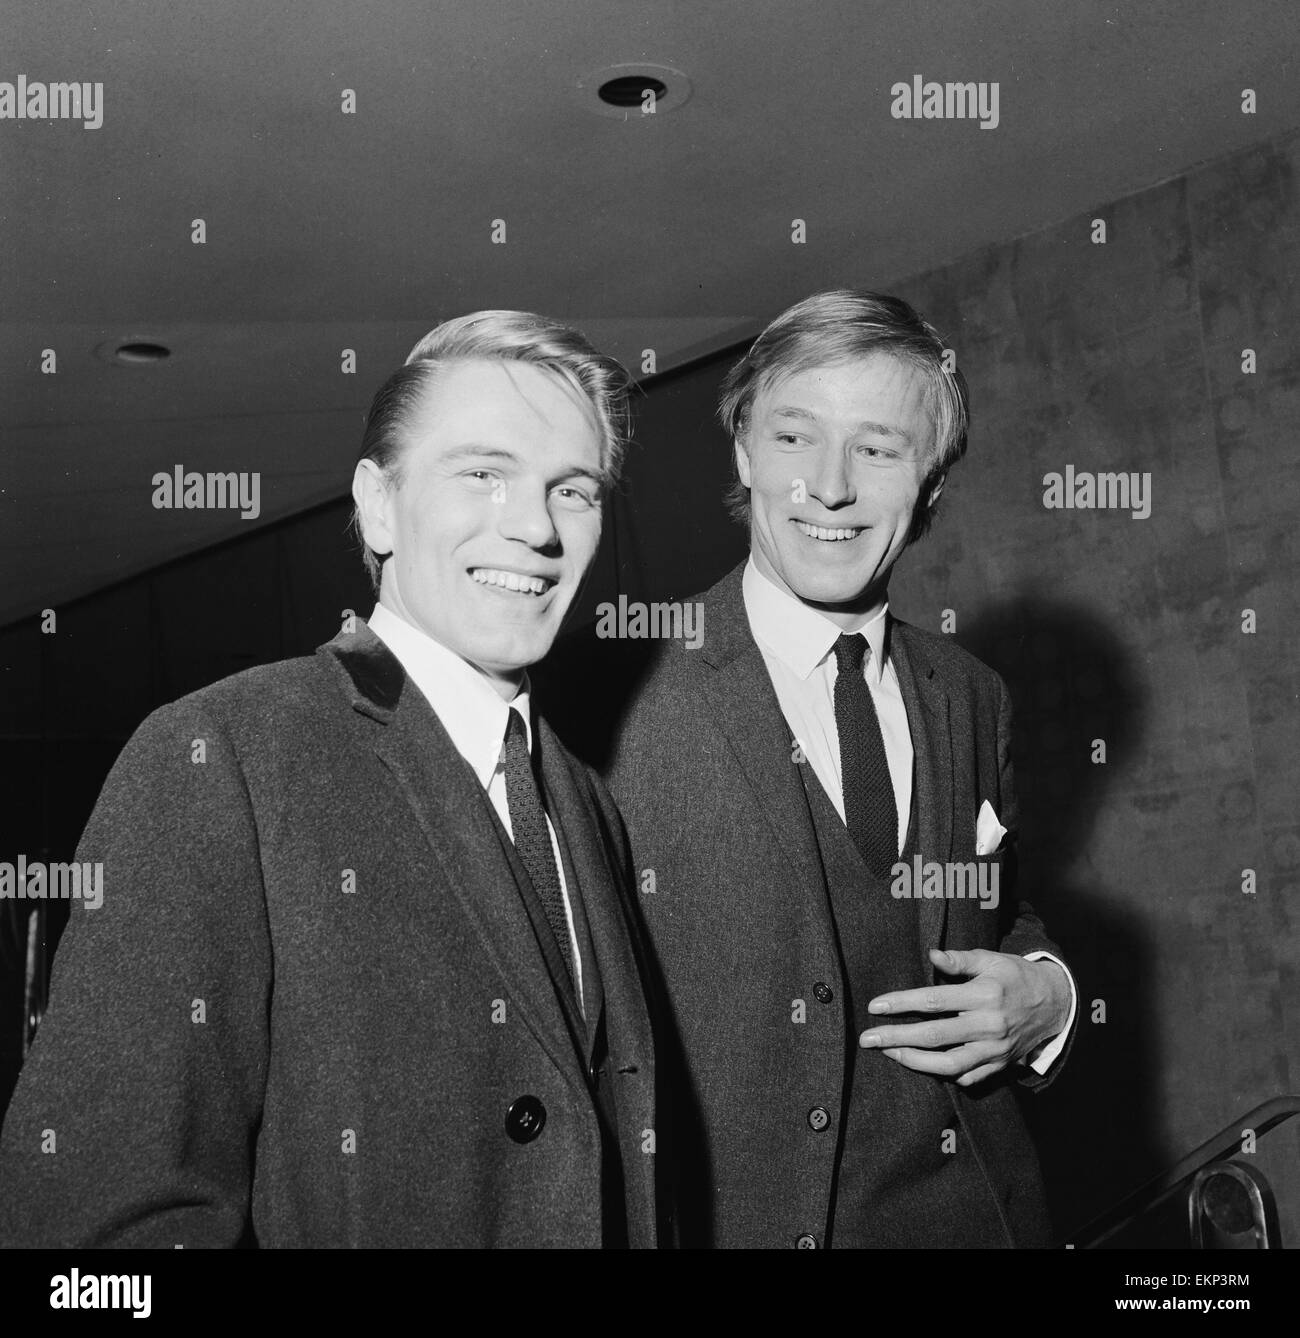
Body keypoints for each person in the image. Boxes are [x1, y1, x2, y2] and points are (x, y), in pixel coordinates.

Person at [0, 311, 664, 1248]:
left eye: (574, 490)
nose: (534, 528)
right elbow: (94, 1232)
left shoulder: (587, 804)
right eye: (483, 472)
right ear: (380, 505)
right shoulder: (221, 757)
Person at [605, 290, 1077, 1248]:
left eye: (878, 447)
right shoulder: (605, 690)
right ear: (743, 451)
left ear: (931, 483)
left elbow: (1005, 908)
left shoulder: (971, 693)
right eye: (794, 436)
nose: (828, 486)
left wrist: (1047, 992)